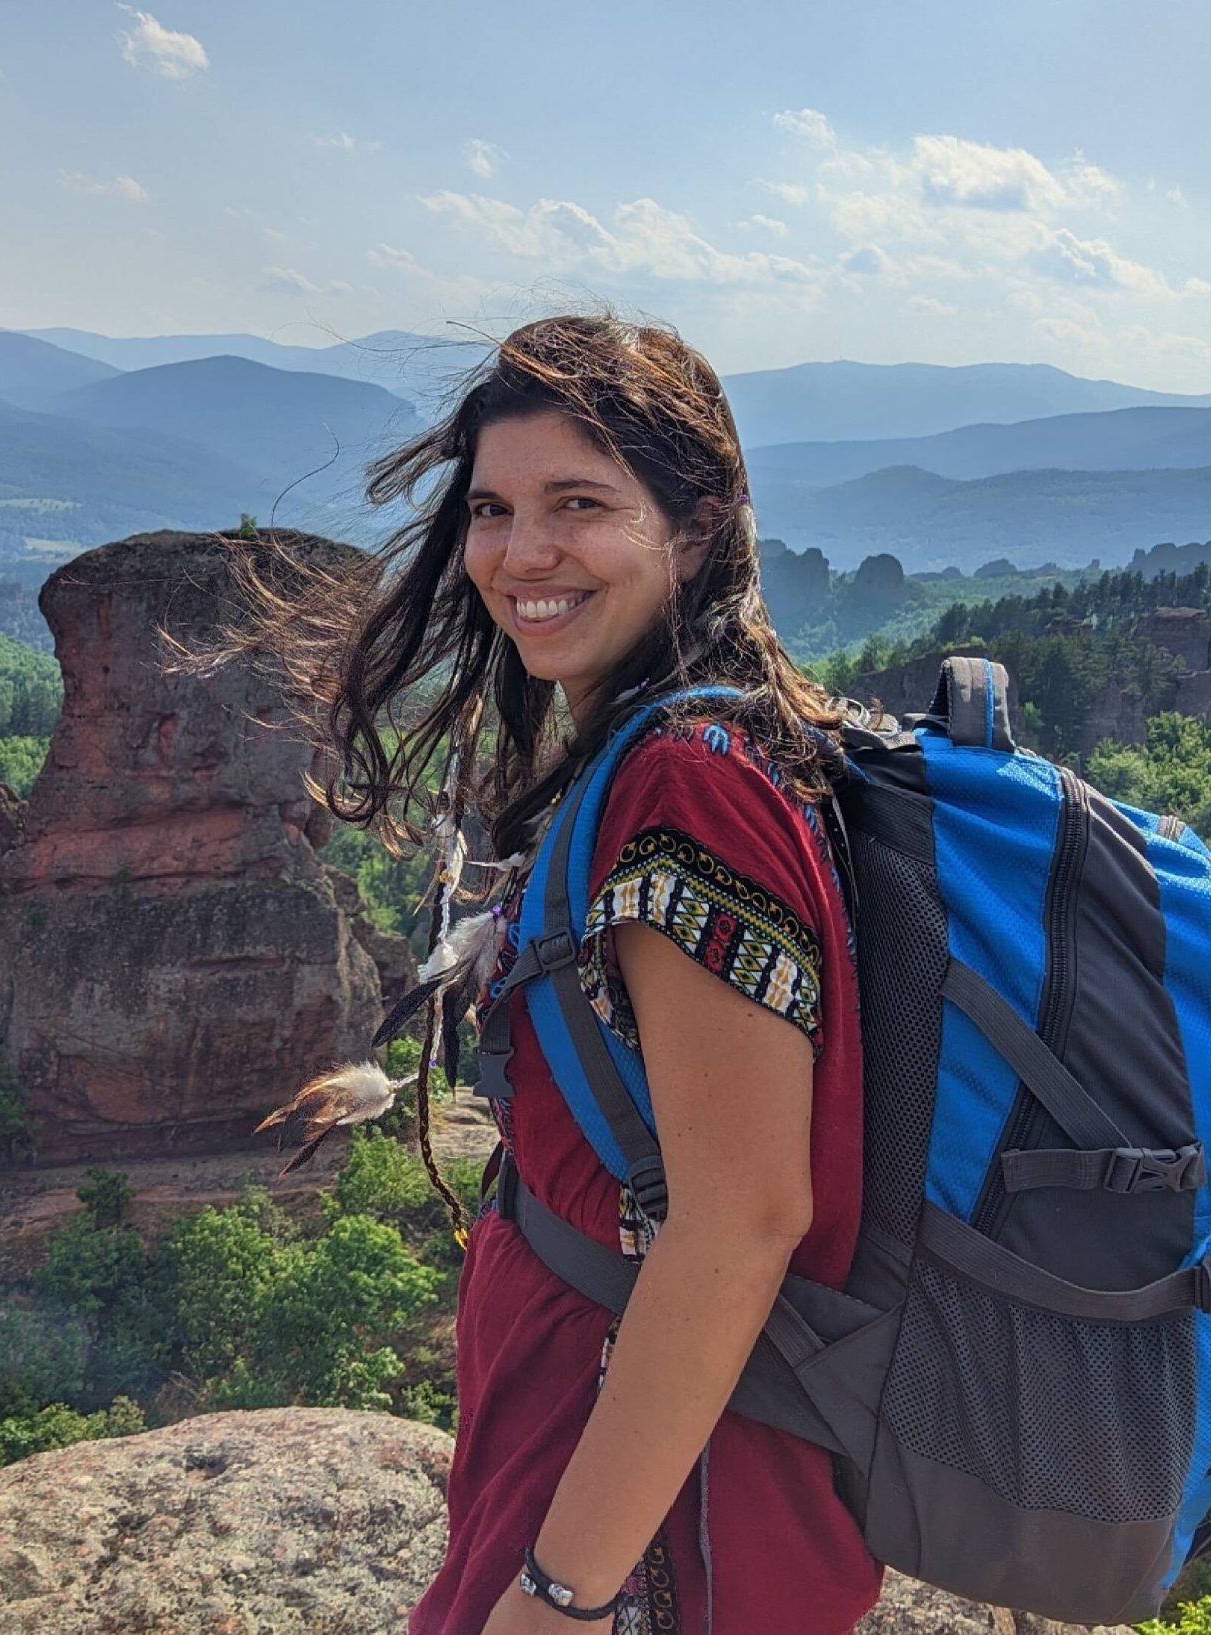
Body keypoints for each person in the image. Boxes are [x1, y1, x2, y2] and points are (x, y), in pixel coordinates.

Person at [223, 312, 881, 1634]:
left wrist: (560, 1594)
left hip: (661, 1520)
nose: (522, 555)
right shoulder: (679, 749)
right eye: (493, 509)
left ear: (693, 529)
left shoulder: (688, 789)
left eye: (579, 505)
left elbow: (744, 1219)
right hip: (614, 1454)